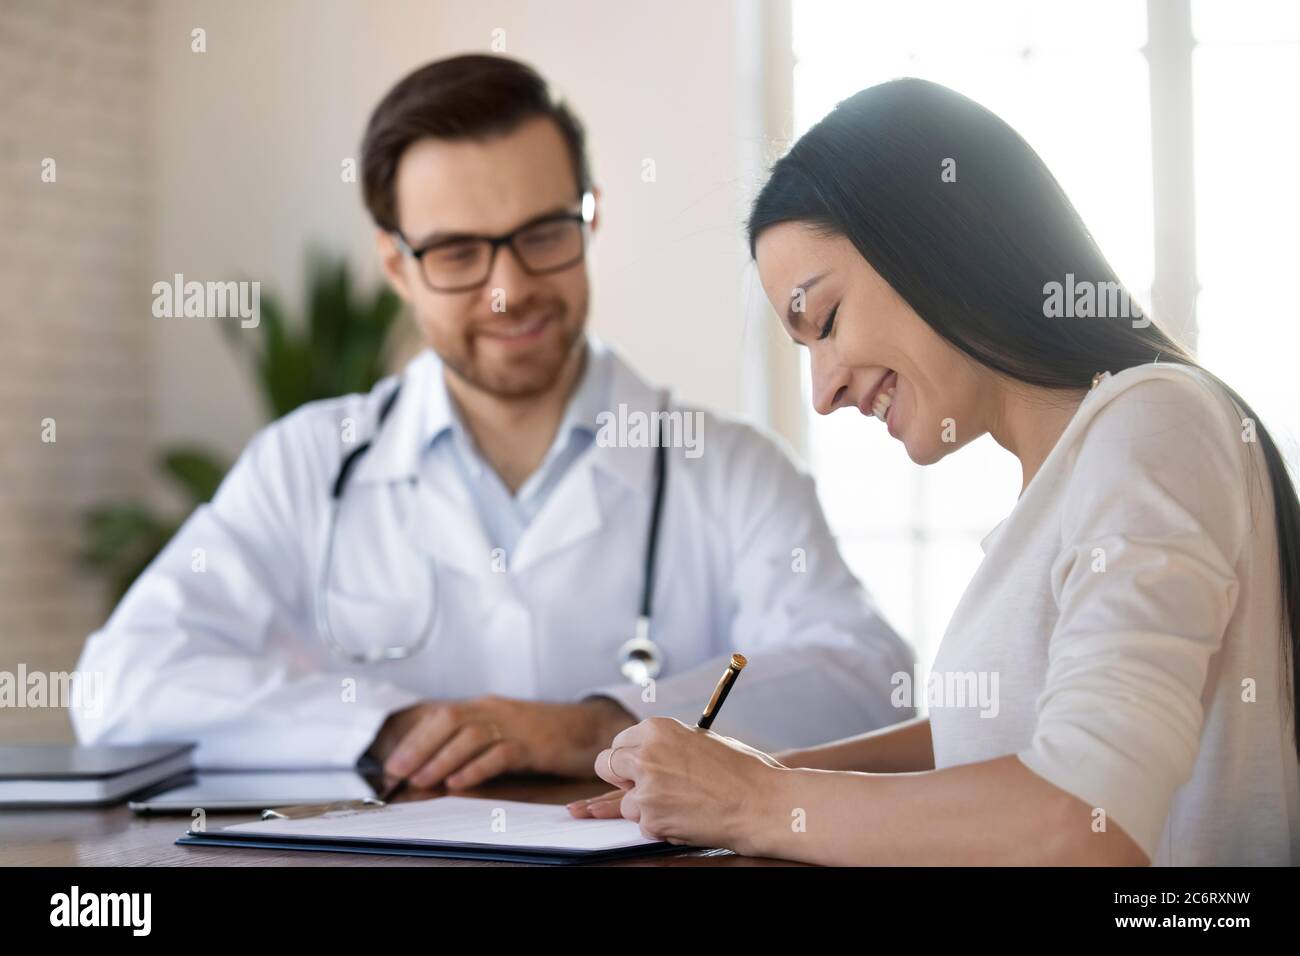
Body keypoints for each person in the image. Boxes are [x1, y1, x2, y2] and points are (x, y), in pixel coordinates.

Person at [70, 55, 913, 791]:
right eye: (459, 253)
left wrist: (595, 726)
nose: (509, 289)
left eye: (542, 234)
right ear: (397, 264)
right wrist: (385, 728)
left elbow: (870, 680)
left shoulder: (726, 468)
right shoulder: (305, 466)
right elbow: (124, 683)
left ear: (590, 217)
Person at [570, 77, 1300, 866]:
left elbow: (1086, 819)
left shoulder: (1154, 421)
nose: (823, 392)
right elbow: (990, 742)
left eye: (825, 320)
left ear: (937, 241)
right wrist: (743, 778)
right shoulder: (1071, 473)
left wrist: (756, 801)